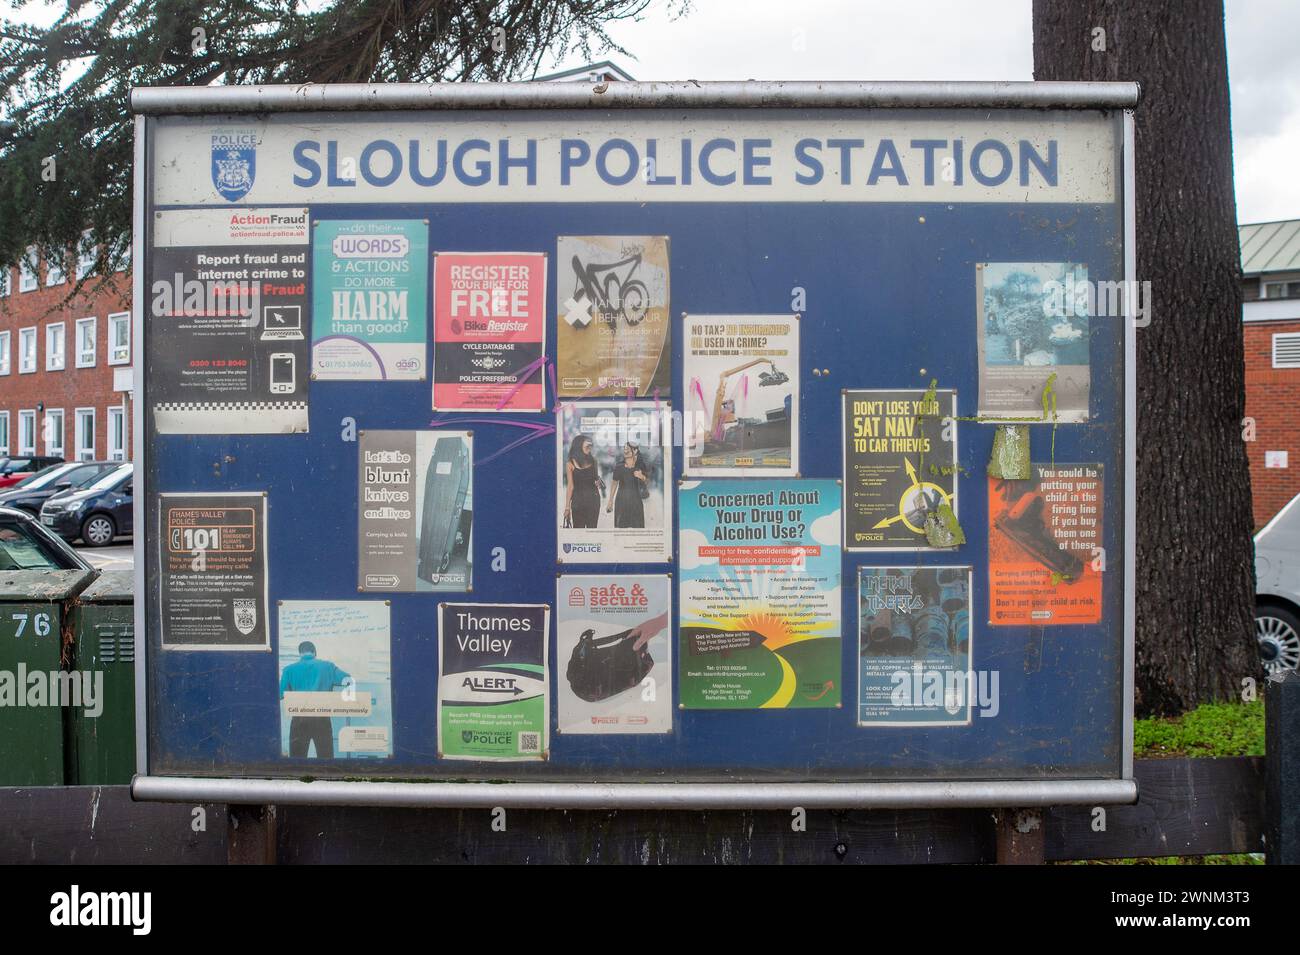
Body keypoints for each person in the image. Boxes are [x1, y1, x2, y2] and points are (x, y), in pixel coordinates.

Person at [279, 641, 351, 759]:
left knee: (297, 758)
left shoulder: (289, 670)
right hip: (322, 718)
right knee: (325, 757)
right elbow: (348, 680)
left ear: (300, 653)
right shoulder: (328, 666)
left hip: (299, 718)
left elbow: (280, 694)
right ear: (315, 652)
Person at [607, 442, 650, 528]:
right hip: (621, 502)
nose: (625, 451)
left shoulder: (640, 466)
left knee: (638, 529)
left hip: (636, 502)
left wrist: (642, 477)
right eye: (624, 449)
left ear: (635, 450)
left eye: (627, 449)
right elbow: (614, 483)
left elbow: (648, 482)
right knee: (621, 530)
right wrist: (610, 501)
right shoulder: (619, 466)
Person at [564, 434, 602, 529]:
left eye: (590, 446)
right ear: (579, 445)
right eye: (587, 445)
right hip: (578, 502)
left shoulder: (594, 461)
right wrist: (567, 507)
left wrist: (598, 482)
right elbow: (570, 486)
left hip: (594, 500)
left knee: (592, 530)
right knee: (578, 530)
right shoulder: (570, 464)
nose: (590, 447)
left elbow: (596, 480)